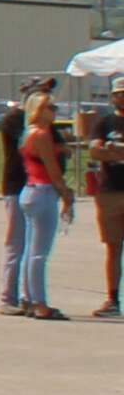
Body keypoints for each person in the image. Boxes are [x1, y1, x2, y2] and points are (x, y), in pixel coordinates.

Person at [4, 82, 70, 319]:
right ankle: (39, 302)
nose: (54, 111)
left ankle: (29, 298)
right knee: (39, 253)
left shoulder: (29, 133)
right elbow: (52, 171)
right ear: (37, 110)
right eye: (49, 107)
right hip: (42, 191)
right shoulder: (41, 135)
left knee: (32, 250)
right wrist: (66, 193)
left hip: (30, 192)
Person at [86, 107, 122, 318]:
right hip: (110, 192)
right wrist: (111, 151)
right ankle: (113, 299)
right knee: (113, 248)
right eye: (119, 93)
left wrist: (113, 150)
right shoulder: (105, 122)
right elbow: (94, 151)